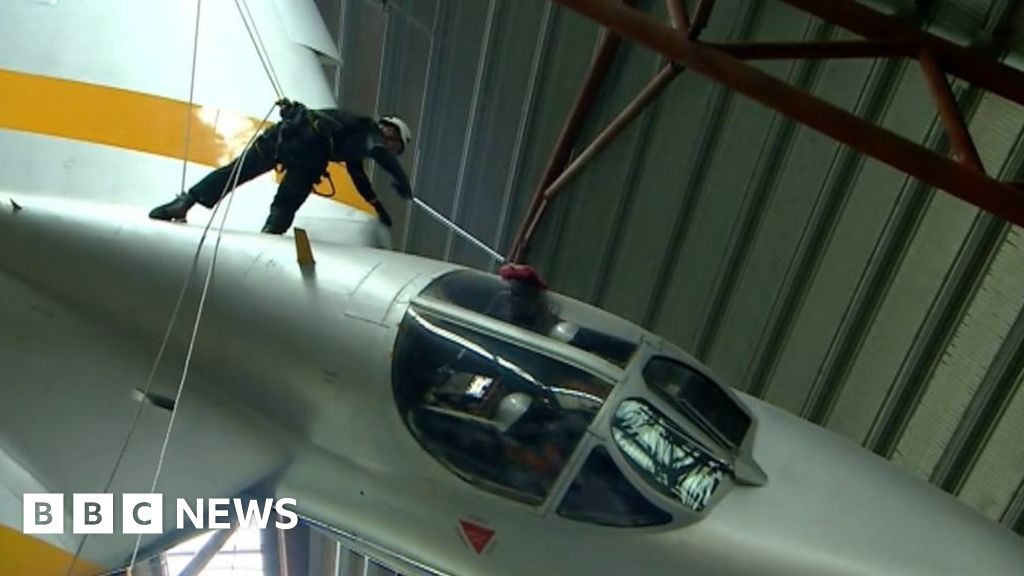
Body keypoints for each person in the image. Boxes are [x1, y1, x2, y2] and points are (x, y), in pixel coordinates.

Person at [148, 99, 414, 234]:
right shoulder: (370, 132)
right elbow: (380, 153)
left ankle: (185, 202)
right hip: (308, 156)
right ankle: (268, 237)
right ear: (389, 131)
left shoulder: (355, 135)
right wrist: (402, 181)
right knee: (285, 205)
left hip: (283, 138)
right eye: (396, 146)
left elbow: (359, 179)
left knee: (235, 172)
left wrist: (379, 208)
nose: (391, 150)